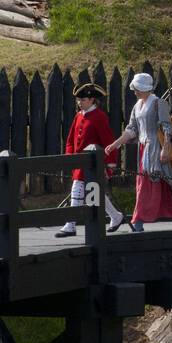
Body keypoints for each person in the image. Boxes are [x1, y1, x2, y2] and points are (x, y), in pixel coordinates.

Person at [107, 72, 172, 231]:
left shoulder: (159, 103)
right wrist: (115, 144)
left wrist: (165, 148)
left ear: (144, 88)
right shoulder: (137, 106)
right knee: (159, 185)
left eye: (137, 88)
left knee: (144, 185)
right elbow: (132, 130)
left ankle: (137, 221)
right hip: (143, 150)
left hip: (156, 149)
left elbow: (167, 128)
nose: (134, 91)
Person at [56, 82, 126, 237]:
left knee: (78, 189)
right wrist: (69, 158)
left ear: (92, 100)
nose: (80, 103)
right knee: (94, 193)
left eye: (83, 100)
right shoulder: (78, 116)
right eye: (79, 100)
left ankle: (71, 224)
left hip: (94, 163)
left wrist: (110, 163)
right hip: (79, 162)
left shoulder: (99, 116)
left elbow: (108, 141)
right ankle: (116, 216)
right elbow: (70, 140)